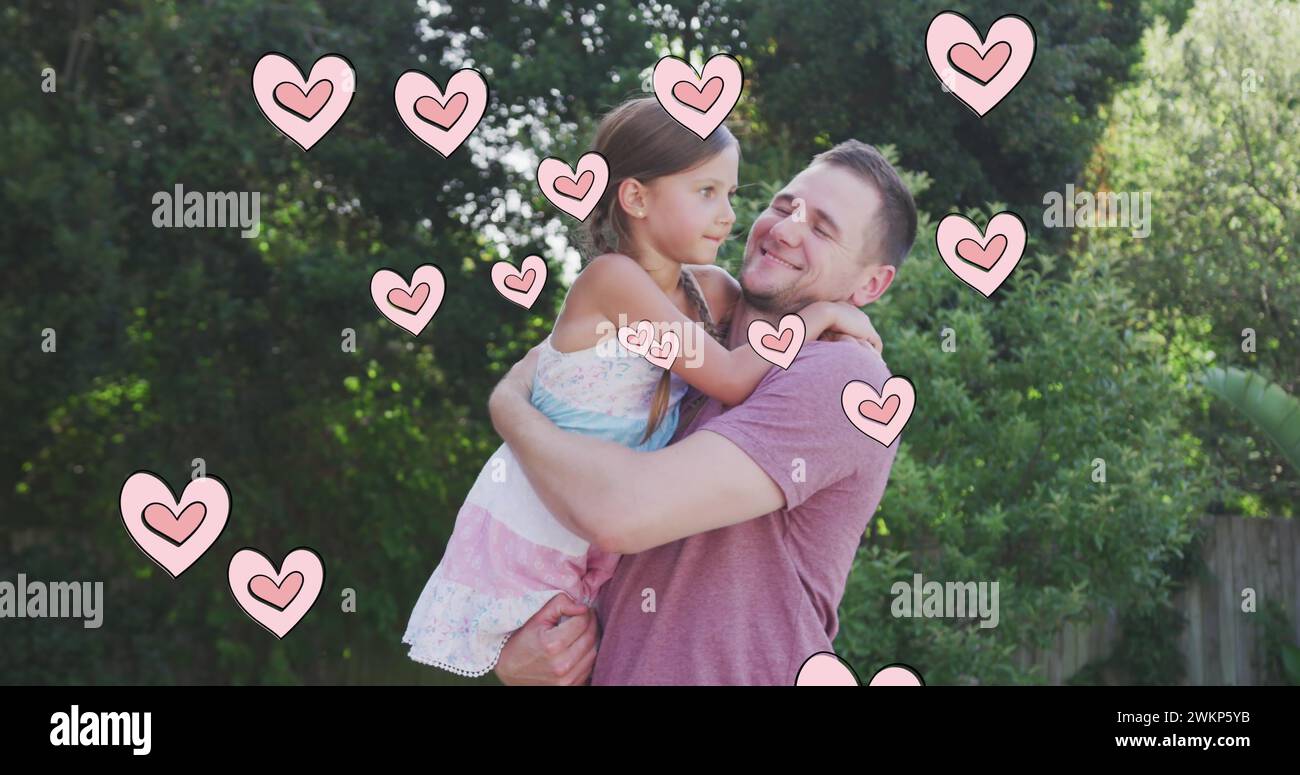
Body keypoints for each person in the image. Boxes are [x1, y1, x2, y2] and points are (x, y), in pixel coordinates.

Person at [400, 97, 881, 677]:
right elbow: (543, 366)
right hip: (550, 542)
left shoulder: (838, 376)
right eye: (782, 206)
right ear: (635, 198)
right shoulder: (635, 287)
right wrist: (523, 663)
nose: (745, 219)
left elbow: (619, 512)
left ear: (872, 283)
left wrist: (508, 405)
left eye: (822, 228)